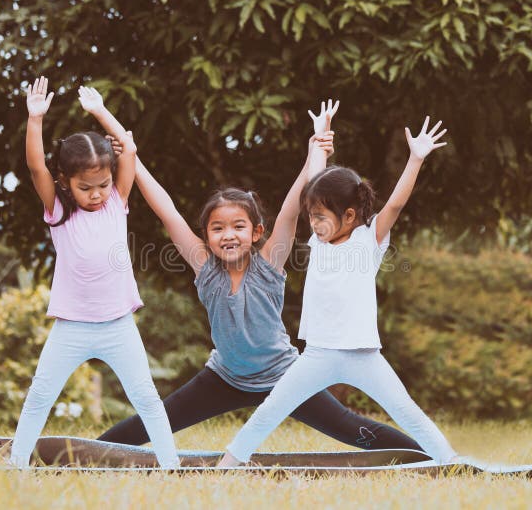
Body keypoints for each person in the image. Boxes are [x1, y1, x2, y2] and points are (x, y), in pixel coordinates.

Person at [97, 101, 424, 453]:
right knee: (156, 418)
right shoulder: (205, 269)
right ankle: (80, 450)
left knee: (348, 426)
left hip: (283, 376)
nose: (228, 235)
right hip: (223, 377)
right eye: (217, 228)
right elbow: (166, 209)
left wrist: (315, 151)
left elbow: (293, 207)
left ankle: (426, 454)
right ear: (206, 236)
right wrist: (131, 156)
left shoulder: (269, 264)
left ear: (256, 232)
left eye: (238, 226)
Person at [217, 116, 459, 467]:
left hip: (363, 355)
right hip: (317, 354)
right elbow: (312, 184)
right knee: (272, 408)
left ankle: (450, 461)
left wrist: (416, 158)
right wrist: (318, 142)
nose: (313, 224)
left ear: (348, 215)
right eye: (311, 216)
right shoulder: (319, 239)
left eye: (319, 216)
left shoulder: (368, 239)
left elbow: (394, 205)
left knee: (407, 411)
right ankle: (229, 462)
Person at [8, 77, 179, 469]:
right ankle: (15, 466)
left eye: (103, 184)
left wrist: (101, 112)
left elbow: (130, 149)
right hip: (72, 327)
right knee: (39, 396)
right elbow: (36, 166)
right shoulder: (58, 212)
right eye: (87, 187)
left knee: (147, 397)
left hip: (118, 324)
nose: (98, 193)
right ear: (65, 184)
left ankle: (172, 467)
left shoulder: (116, 201)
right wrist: (35, 119)